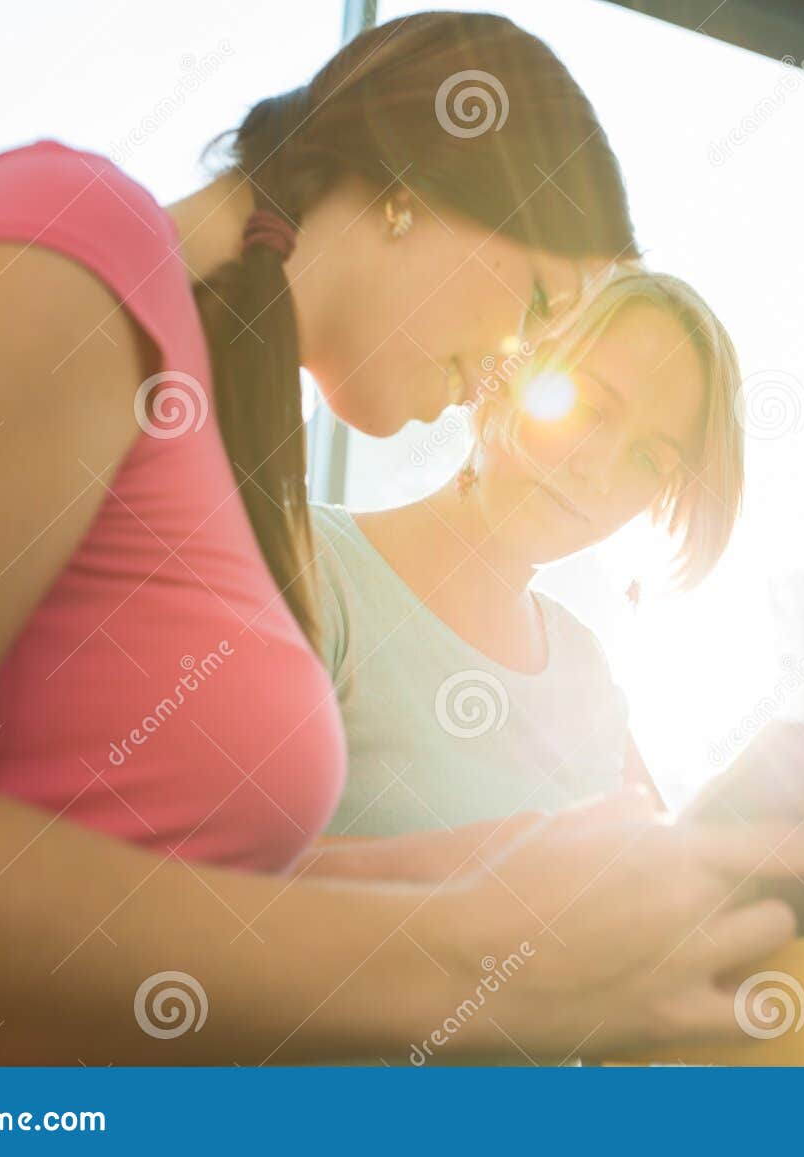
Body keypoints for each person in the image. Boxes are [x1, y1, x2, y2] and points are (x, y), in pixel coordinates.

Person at [0, 12, 804, 1063]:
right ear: (414, 188)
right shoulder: (77, 238)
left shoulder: (221, 461)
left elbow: (150, 866)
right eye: (539, 303)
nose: (512, 366)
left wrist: (469, 876)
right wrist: (459, 958)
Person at [307, 267, 739, 847]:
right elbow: (215, 877)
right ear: (509, 370)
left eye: (646, 460)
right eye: (588, 406)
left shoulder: (584, 669)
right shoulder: (314, 568)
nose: (599, 470)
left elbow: (673, 871)